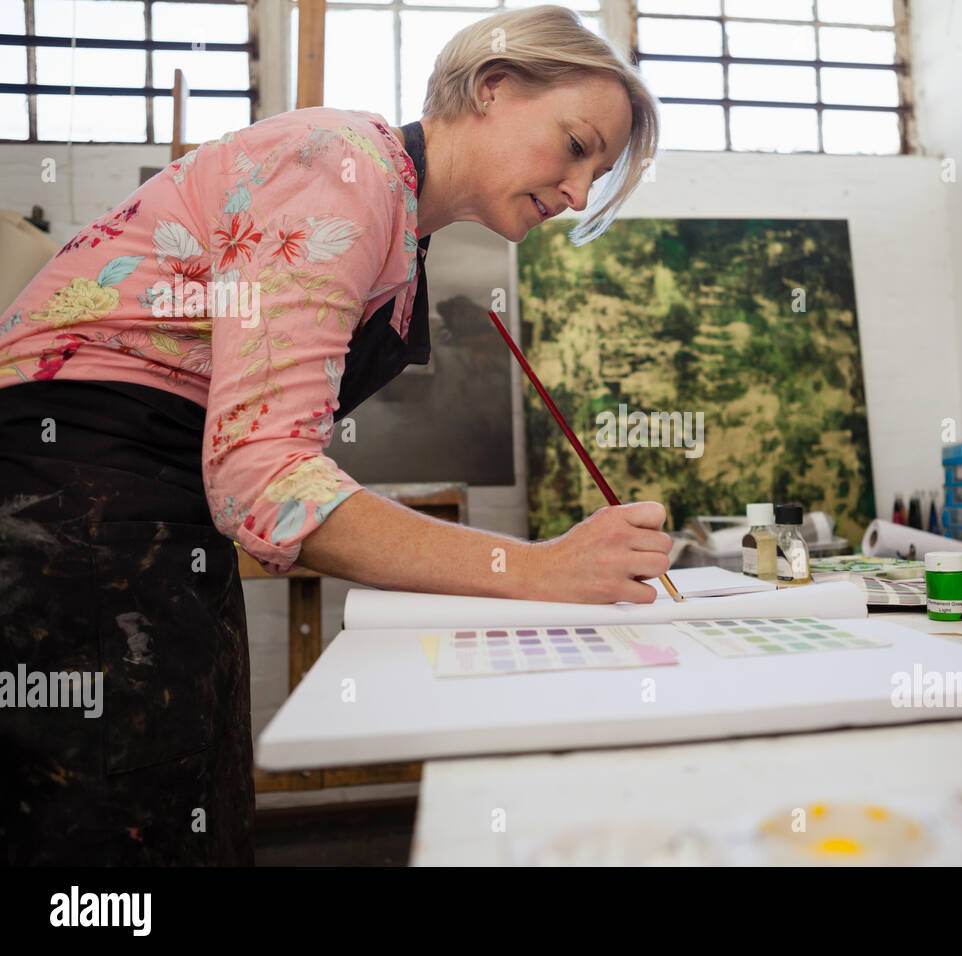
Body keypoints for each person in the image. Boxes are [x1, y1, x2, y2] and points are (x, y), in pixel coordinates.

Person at [0, 4, 667, 866]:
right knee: (116, 835)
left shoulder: (399, 237)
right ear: (494, 88)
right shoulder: (343, 166)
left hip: (154, 511)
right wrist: (535, 568)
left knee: (194, 801)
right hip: (70, 506)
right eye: (577, 146)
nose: (579, 194)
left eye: (598, 174)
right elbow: (263, 479)